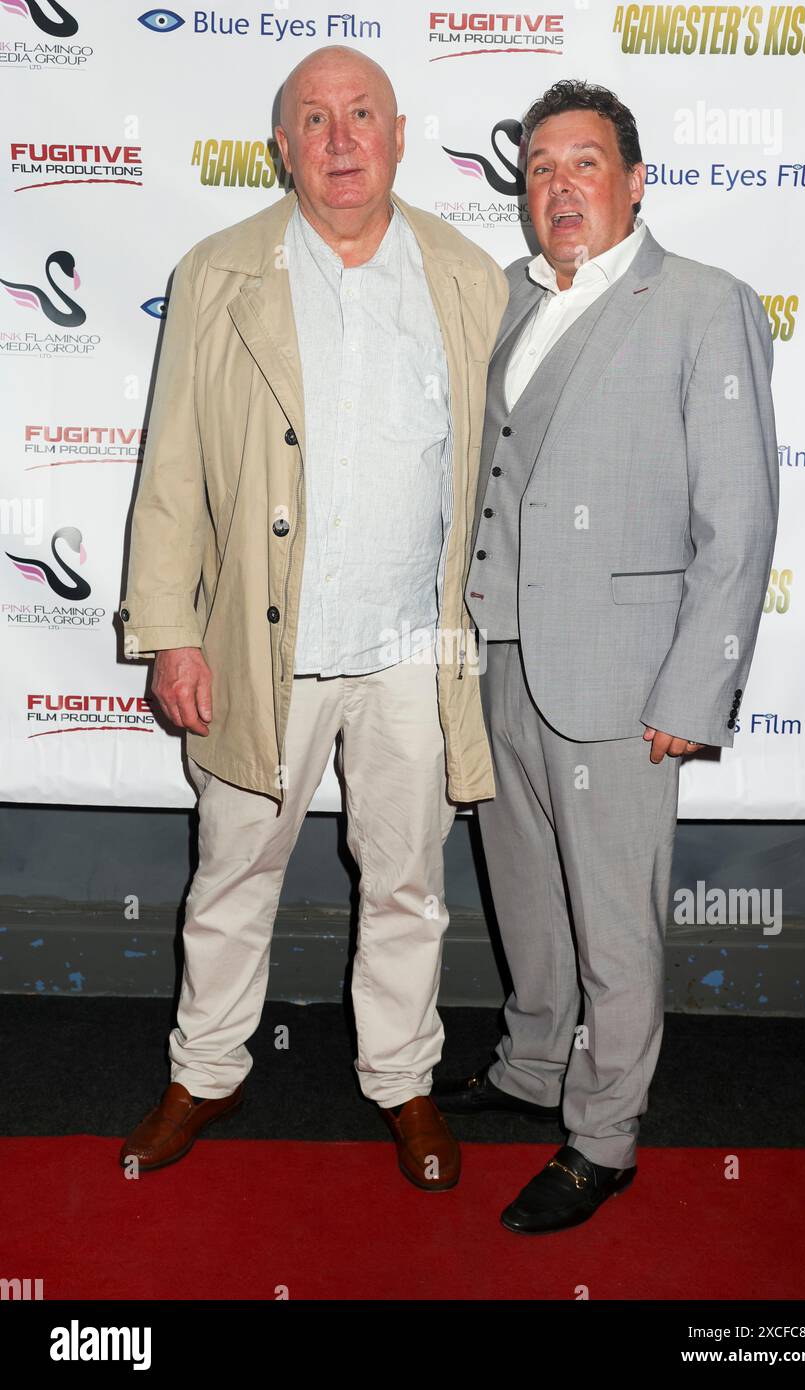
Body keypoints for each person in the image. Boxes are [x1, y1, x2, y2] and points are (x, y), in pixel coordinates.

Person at [118, 44, 508, 1190]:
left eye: (360, 116)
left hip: (410, 654)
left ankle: (401, 1079)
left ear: (397, 132)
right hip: (255, 644)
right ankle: (207, 1069)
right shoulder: (217, 272)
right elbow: (172, 466)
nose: (339, 140)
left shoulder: (465, 276)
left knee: (407, 884)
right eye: (312, 120)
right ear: (278, 146)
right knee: (232, 872)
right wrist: (173, 630)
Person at [433, 79, 779, 1233]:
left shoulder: (699, 302)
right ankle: (532, 1065)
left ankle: (602, 1137)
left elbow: (738, 518)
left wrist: (694, 687)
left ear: (633, 182)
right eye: (537, 168)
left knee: (613, 923)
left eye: (583, 163)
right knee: (524, 896)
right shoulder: (507, 305)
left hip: (627, 682)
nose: (558, 186)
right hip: (503, 660)